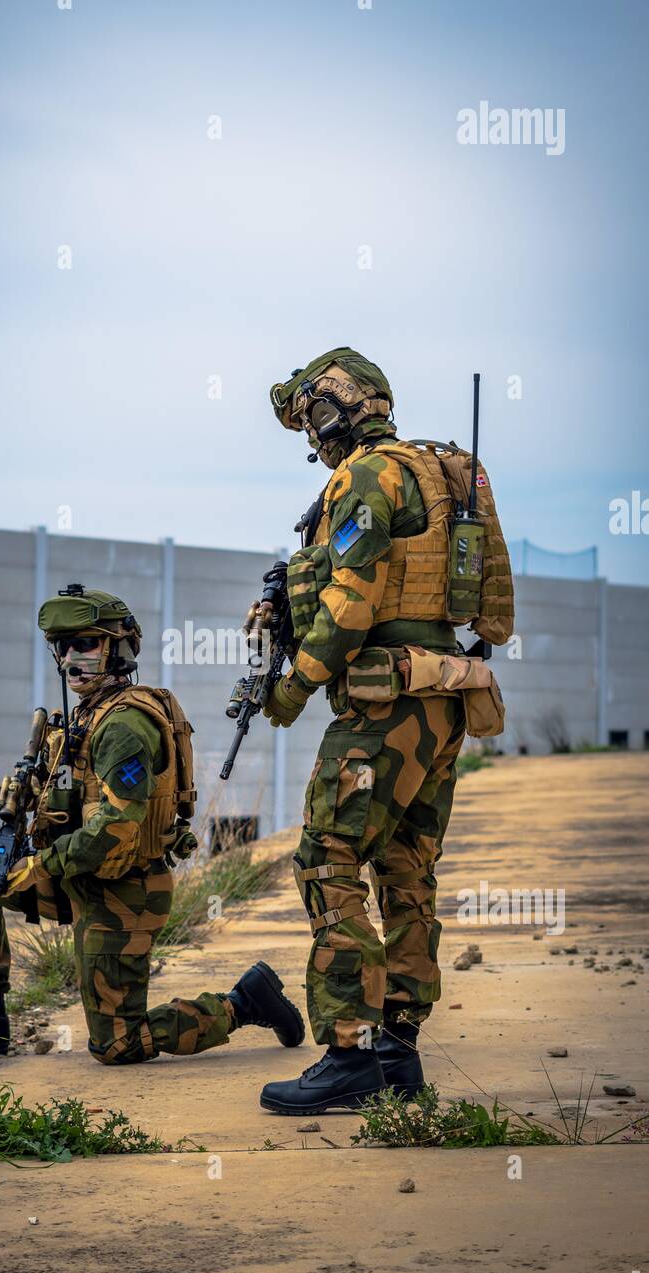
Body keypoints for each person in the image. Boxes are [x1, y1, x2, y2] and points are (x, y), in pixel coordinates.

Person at [257, 348, 513, 1115]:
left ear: (336, 407)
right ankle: (398, 1052)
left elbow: (353, 599)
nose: (311, 437)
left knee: (327, 856)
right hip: (441, 696)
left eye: (311, 418)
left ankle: (348, 1050)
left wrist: (294, 683)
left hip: (386, 701)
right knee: (406, 869)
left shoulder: (369, 476)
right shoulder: (434, 469)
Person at [0, 585, 304, 1063]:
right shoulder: (88, 714)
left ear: (119, 648)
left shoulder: (123, 728)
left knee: (117, 1046)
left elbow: (116, 828)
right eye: (62, 646)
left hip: (124, 891)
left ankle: (243, 1004)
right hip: (79, 877)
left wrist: (37, 868)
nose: (71, 657)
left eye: (86, 644)